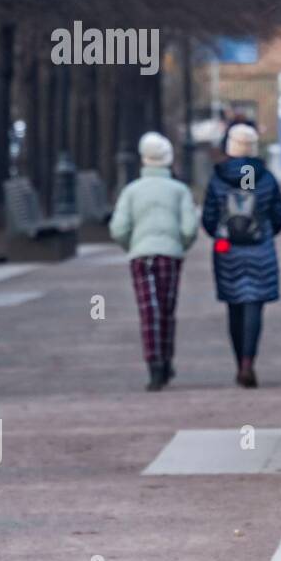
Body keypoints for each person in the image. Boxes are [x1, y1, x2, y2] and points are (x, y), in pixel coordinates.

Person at [109, 132, 198, 391]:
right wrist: (179, 245)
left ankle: (154, 365)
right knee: (167, 309)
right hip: (170, 256)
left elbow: (118, 228)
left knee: (148, 311)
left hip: (141, 255)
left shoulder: (131, 191)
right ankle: (167, 359)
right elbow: (190, 228)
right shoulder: (179, 190)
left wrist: (132, 245)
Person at [201, 123, 281, 388]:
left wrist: (222, 235)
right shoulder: (266, 177)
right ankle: (249, 361)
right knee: (254, 304)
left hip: (228, 250)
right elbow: (279, 215)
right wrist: (266, 231)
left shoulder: (218, 178)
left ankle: (239, 362)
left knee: (234, 306)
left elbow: (208, 218)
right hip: (260, 247)